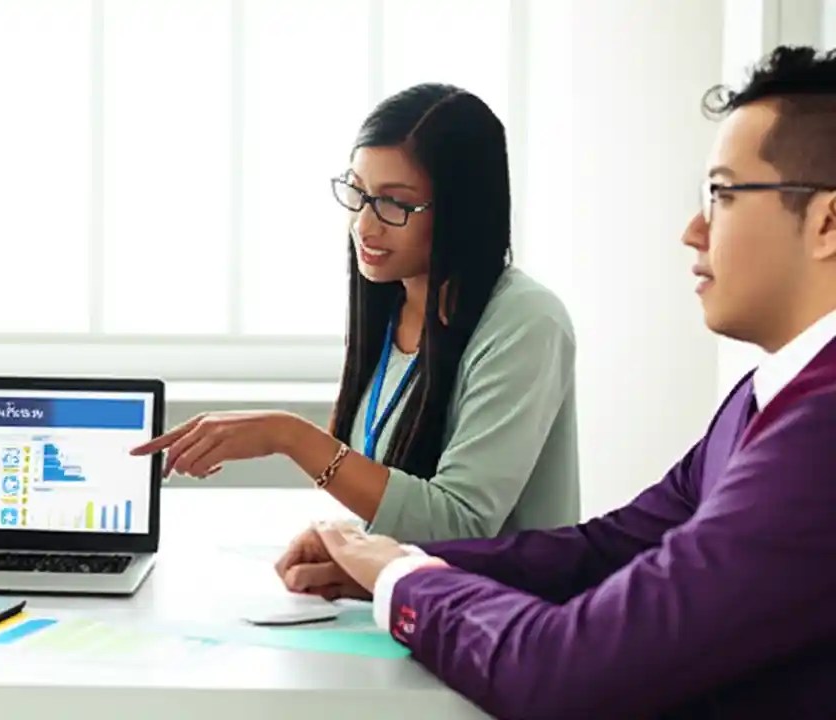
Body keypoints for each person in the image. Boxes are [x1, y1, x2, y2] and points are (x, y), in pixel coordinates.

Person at [277, 46, 836, 719]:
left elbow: (564, 670)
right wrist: (395, 559)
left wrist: (401, 578)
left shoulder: (820, 438)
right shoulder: (761, 397)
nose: (692, 230)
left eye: (720, 193)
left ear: (827, 222)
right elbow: (610, 550)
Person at [133, 83, 579, 545]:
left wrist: (289, 436)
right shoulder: (393, 301)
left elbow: (459, 523)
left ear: (462, 210)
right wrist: (347, 553)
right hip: (408, 593)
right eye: (358, 192)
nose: (364, 225)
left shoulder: (527, 322)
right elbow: (395, 505)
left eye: (394, 202)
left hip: (500, 610)